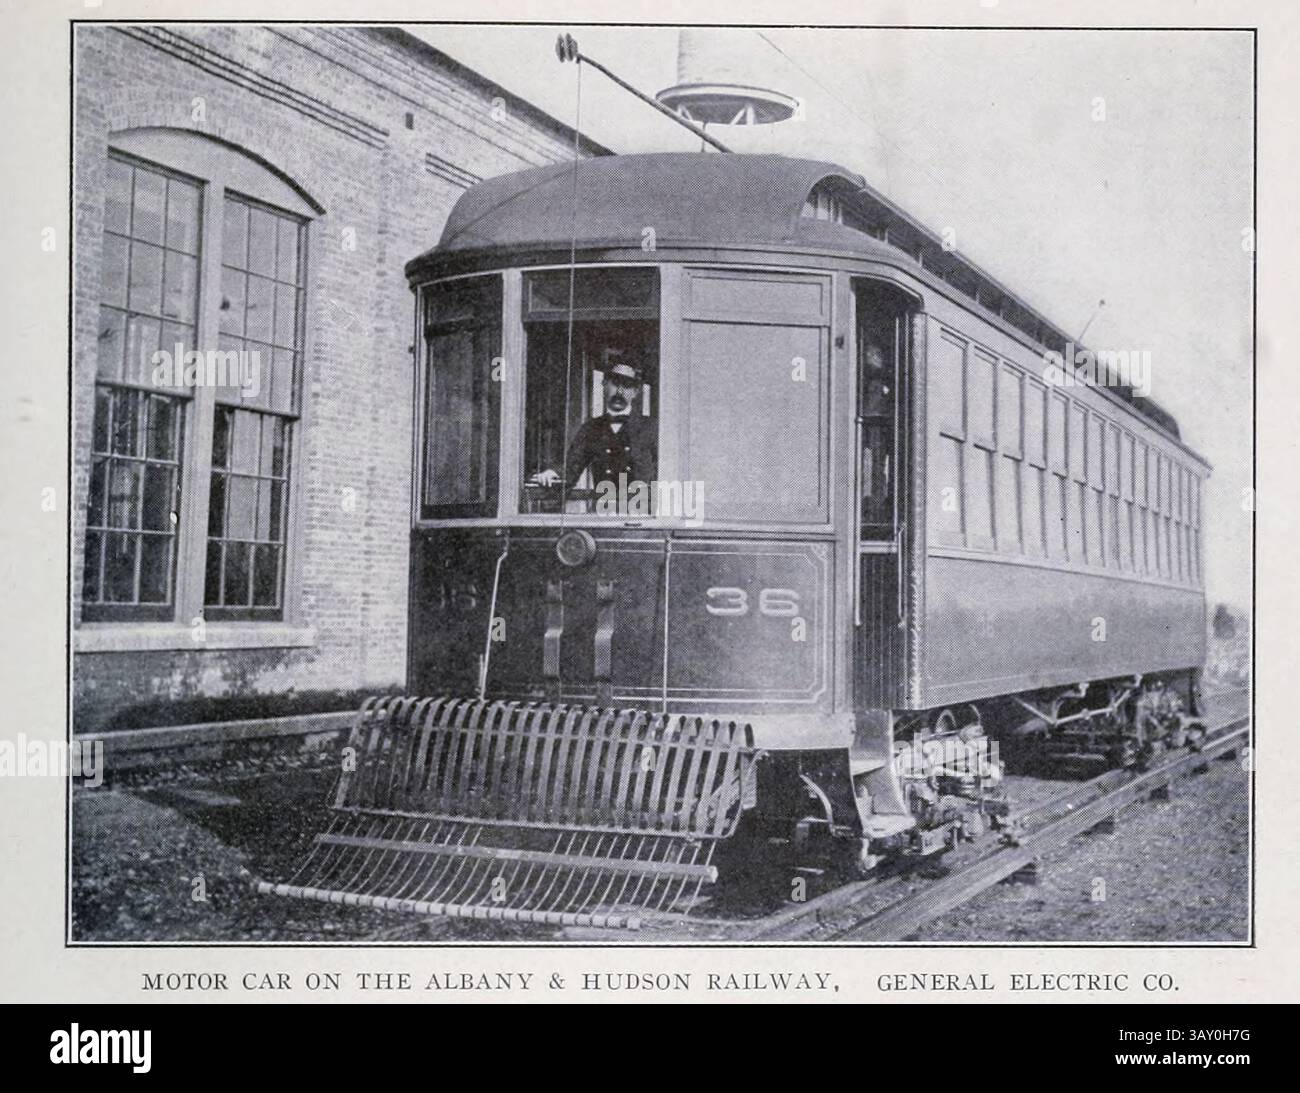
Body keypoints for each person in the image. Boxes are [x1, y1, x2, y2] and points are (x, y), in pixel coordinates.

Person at [527, 356, 657, 501]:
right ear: (604, 384)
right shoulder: (591, 428)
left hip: (641, 517)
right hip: (603, 515)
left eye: (626, 385)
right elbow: (571, 467)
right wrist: (553, 473)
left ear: (635, 392)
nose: (620, 392)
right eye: (614, 383)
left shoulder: (651, 428)